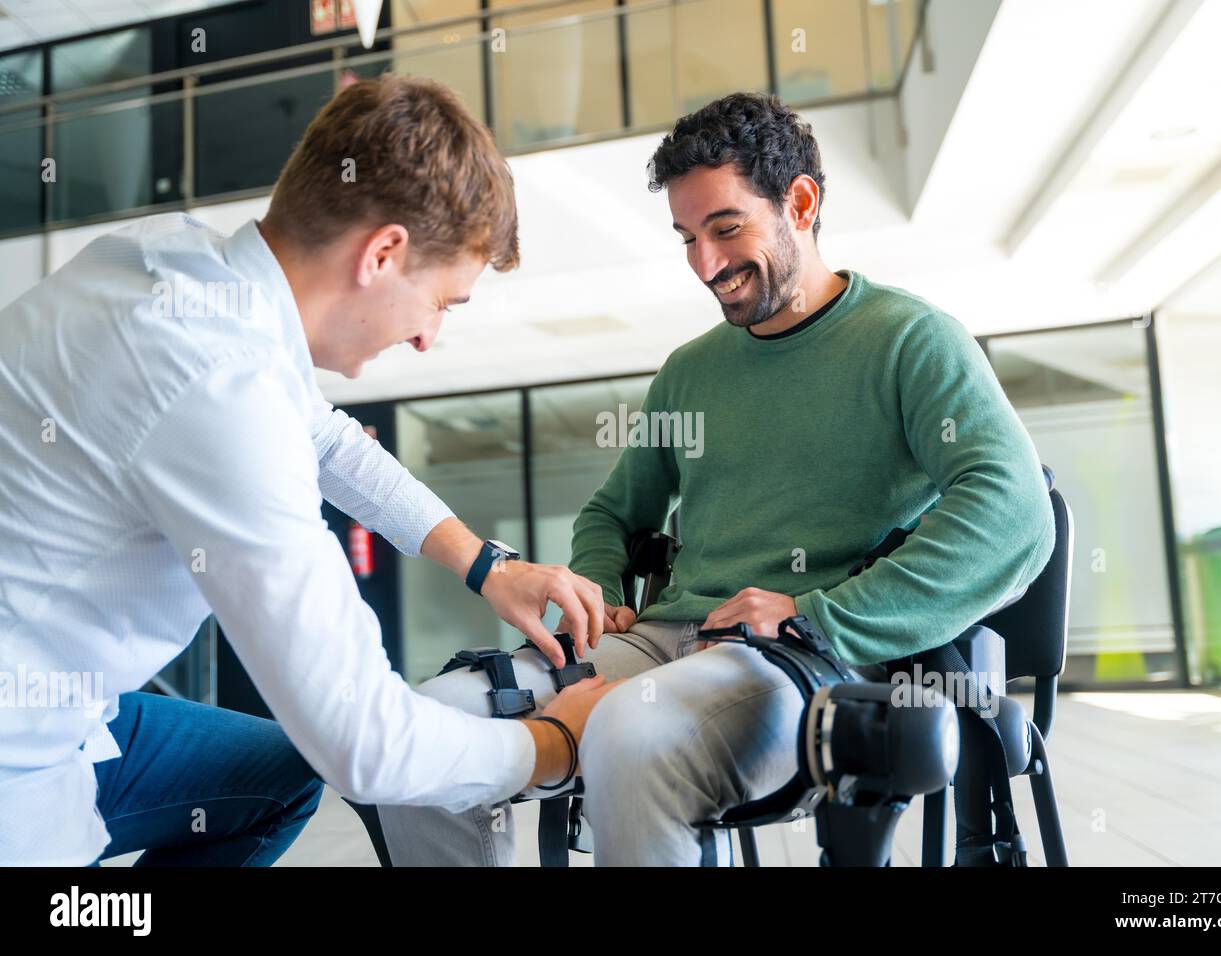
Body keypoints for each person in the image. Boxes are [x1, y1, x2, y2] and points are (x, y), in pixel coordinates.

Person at [376, 92, 1055, 866]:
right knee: (427, 733)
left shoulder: (909, 341)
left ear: (800, 202)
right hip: (663, 645)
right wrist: (596, 597)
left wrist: (819, 615)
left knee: (631, 734)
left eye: (726, 228)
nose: (706, 265)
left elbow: (1014, 512)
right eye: (688, 237)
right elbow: (610, 512)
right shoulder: (690, 372)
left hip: (809, 663)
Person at [0, 75, 618, 867]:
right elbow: (362, 741)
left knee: (275, 777)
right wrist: (552, 745)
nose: (430, 338)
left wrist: (487, 564)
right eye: (441, 302)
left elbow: (326, 440)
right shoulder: (221, 388)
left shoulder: (180, 263)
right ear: (384, 252)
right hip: (20, 752)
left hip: (64, 694)